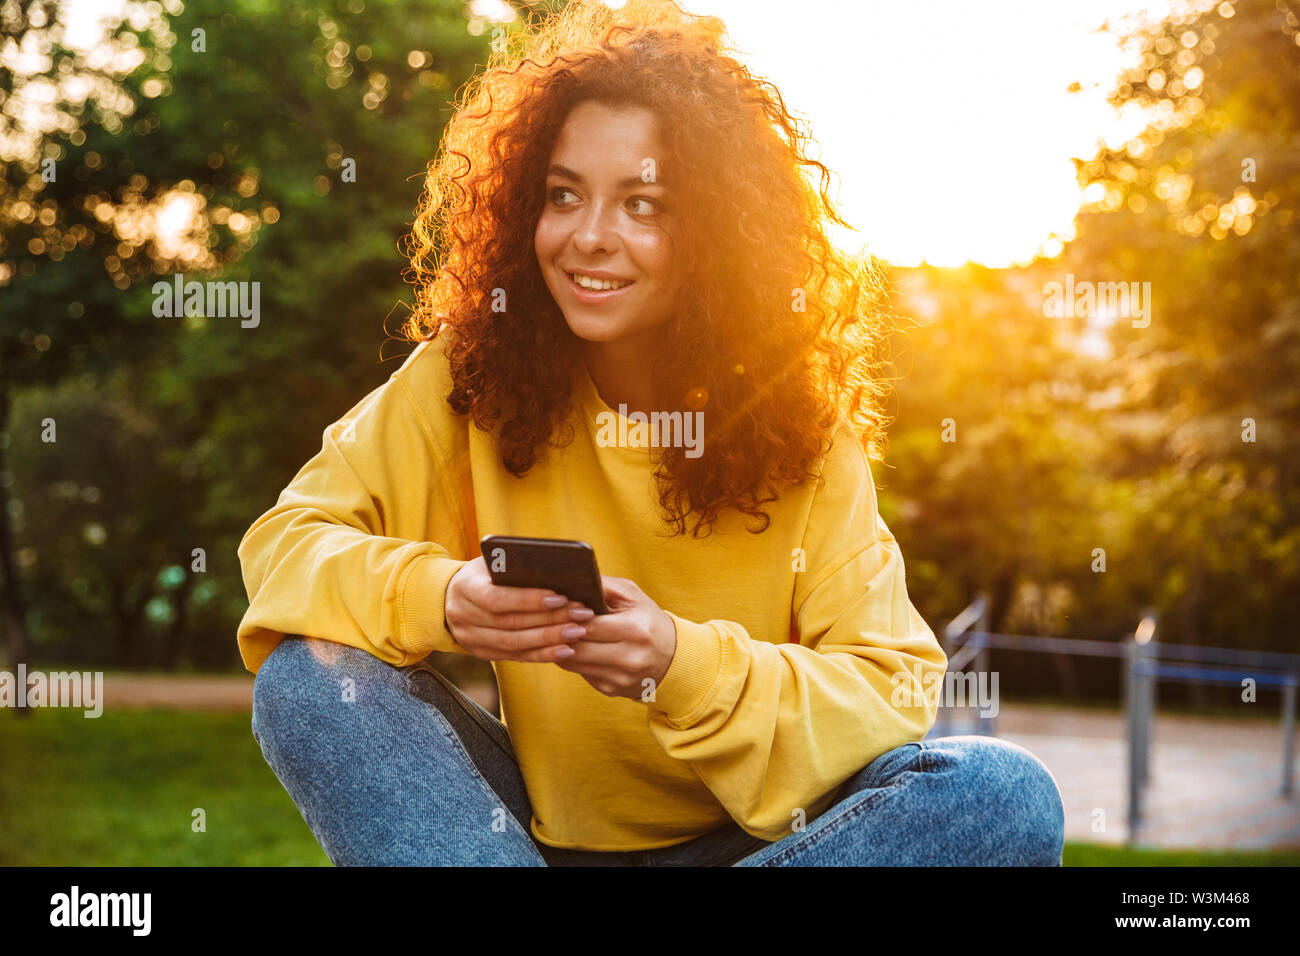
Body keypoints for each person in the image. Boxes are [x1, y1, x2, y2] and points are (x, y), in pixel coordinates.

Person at [236, 0, 1064, 866]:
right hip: (530, 843)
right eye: (564, 195)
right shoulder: (467, 376)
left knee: (1003, 794)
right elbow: (284, 549)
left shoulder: (802, 428)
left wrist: (679, 662)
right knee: (307, 682)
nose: (591, 238)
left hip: (767, 848)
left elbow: (891, 693)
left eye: (643, 204)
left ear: (714, 235)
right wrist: (443, 597)